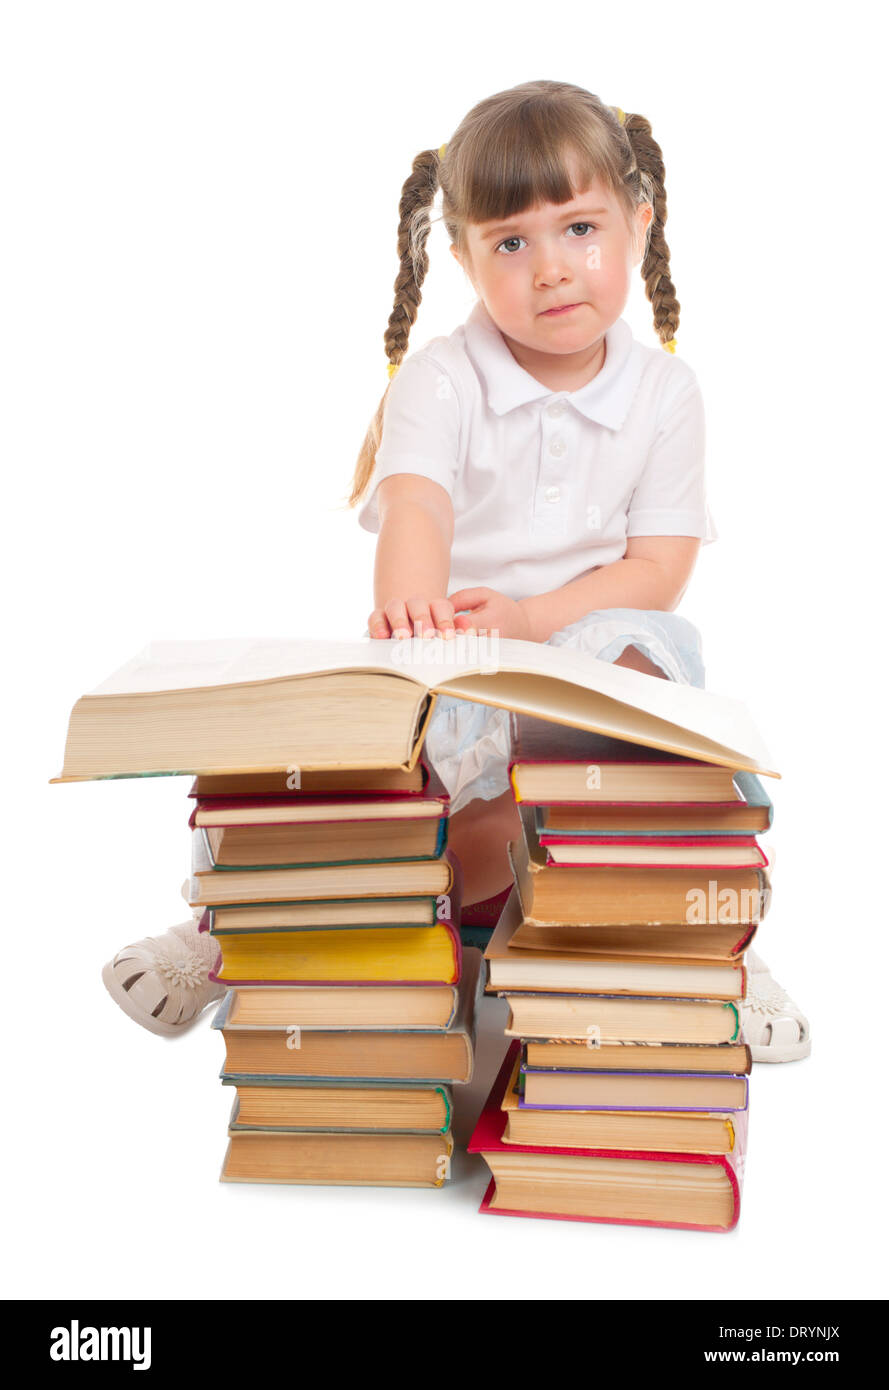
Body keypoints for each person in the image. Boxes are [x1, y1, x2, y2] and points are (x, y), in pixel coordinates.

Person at [102, 80, 809, 1062]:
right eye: (512, 243)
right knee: (329, 749)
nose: (552, 269)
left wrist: (534, 617)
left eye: (579, 229)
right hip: (463, 652)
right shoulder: (443, 377)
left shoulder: (664, 393)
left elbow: (658, 566)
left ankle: (706, 940)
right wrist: (414, 607)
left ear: (638, 223)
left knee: (640, 672)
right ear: (464, 255)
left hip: (590, 653)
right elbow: (418, 506)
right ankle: (233, 924)